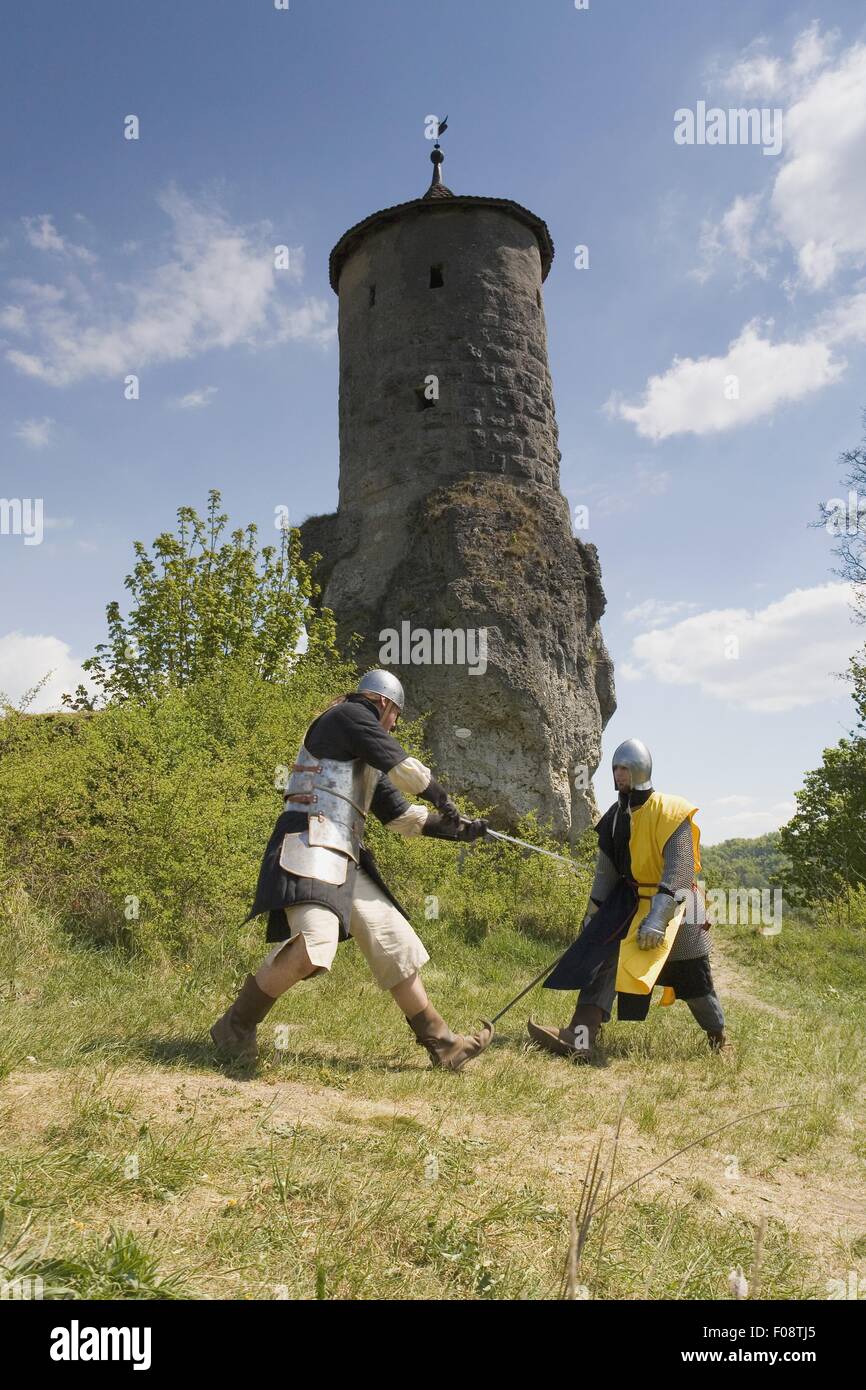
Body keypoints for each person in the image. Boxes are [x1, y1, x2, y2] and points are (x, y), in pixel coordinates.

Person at [210, 670, 493, 1071]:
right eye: (395, 714)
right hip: (309, 840)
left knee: (394, 942)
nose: (394, 724)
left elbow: (400, 816)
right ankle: (235, 1027)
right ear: (383, 704)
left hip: (344, 851)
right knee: (313, 944)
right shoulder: (349, 716)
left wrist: (459, 830)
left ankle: (444, 1045)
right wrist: (442, 797)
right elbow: (407, 769)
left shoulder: (363, 748)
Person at [527, 737, 727, 1061]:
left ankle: (719, 1037)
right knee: (601, 961)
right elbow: (606, 874)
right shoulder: (615, 817)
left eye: (625, 768)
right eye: (615, 769)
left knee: (694, 980)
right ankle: (581, 1038)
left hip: (676, 908)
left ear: (640, 770)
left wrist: (658, 918)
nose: (619, 775)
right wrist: (593, 916)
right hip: (630, 903)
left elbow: (679, 871)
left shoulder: (672, 812)